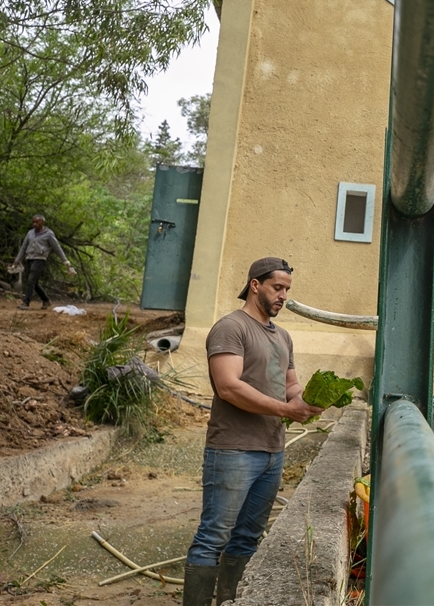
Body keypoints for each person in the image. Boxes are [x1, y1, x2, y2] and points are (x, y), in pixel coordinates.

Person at [183, 257, 323, 606]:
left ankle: (230, 601)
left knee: (247, 538)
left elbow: (290, 386)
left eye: (287, 290)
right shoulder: (231, 328)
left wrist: (313, 399)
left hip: (272, 452)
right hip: (233, 450)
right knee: (213, 537)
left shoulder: (283, 336)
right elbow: (228, 386)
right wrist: (287, 410)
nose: (283, 296)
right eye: (278, 288)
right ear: (255, 285)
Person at [12, 214, 75, 309]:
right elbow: (24, 247)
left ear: (42, 222)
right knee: (33, 282)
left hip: (40, 259)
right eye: (33, 222)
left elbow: (57, 248)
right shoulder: (30, 233)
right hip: (29, 258)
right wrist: (16, 261)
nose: (34, 224)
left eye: (37, 222)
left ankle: (25, 303)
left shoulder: (48, 234)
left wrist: (64, 260)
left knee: (31, 280)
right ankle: (46, 300)